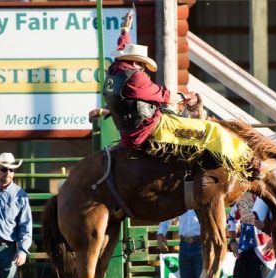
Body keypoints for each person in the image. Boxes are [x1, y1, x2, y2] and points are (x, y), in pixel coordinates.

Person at [101, 11, 256, 180]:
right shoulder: (136, 78)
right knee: (213, 130)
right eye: (142, 63)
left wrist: (125, 30)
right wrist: (186, 97)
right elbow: (166, 97)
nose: (143, 68)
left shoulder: (116, 67)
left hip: (128, 130)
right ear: (135, 61)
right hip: (150, 129)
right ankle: (248, 165)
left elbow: (122, 46)